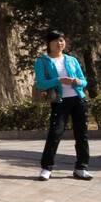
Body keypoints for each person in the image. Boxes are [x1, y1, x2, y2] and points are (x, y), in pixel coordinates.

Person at [34, 30, 93, 181]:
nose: (60, 43)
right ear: (49, 43)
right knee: (55, 133)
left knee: (82, 135)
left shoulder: (71, 59)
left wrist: (77, 82)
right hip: (60, 102)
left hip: (78, 100)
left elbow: (83, 80)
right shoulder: (42, 61)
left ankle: (81, 168)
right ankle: (46, 168)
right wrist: (59, 80)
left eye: (62, 40)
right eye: (56, 41)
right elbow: (40, 83)